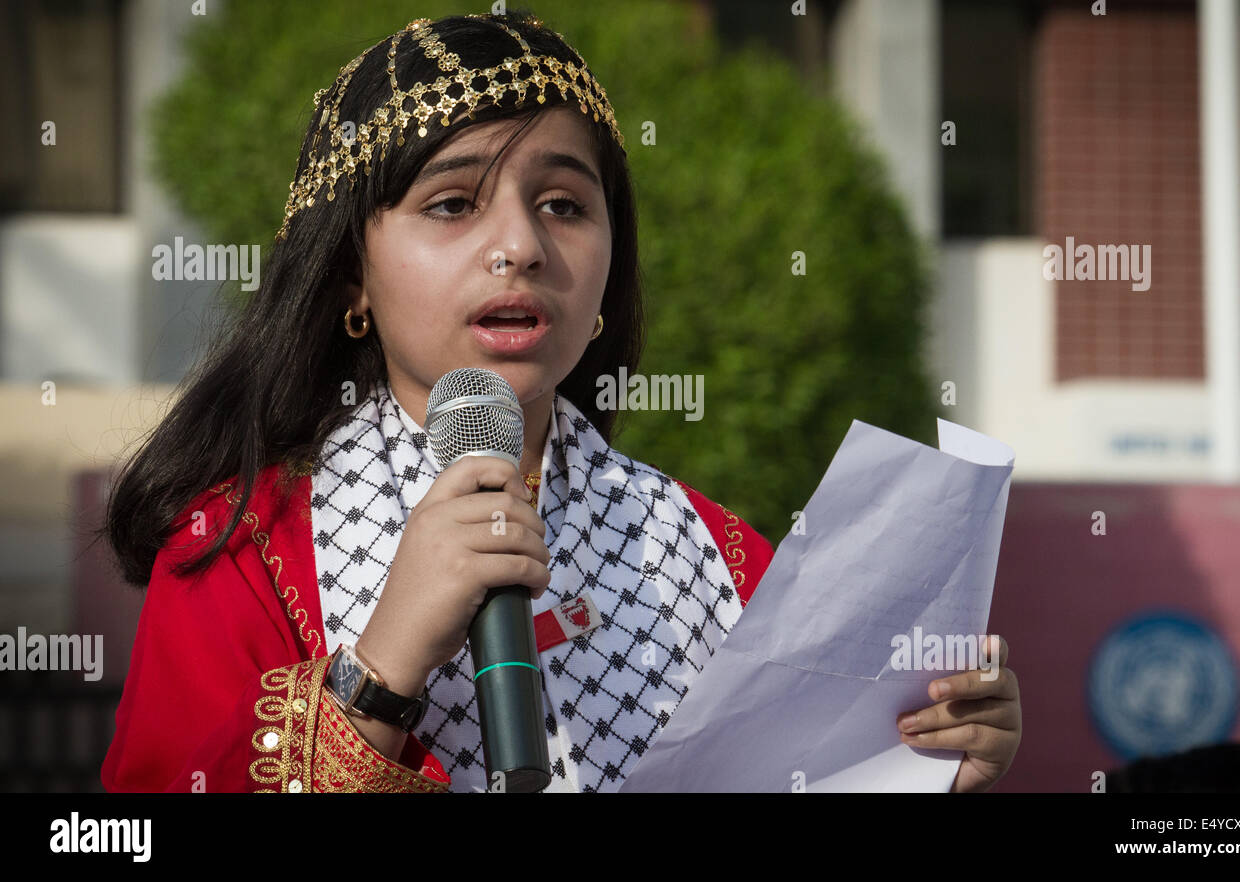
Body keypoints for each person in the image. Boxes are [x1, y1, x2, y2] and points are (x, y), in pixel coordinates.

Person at [100, 10, 1020, 793]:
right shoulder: (241, 544)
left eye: (565, 205)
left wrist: (921, 758)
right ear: (351, 278)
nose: (520, 245)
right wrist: (379, 674)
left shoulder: (724, 560)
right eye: (453, 204)